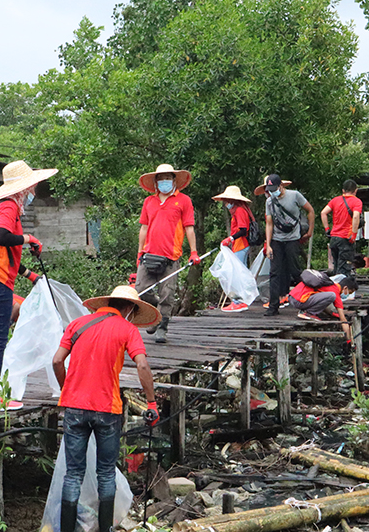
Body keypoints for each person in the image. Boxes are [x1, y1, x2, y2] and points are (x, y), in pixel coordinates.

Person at [52, 286, 160, 532]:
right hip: (107, 409)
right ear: (130, 308)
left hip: (74, 407)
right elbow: (142, 365)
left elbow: (57, 360)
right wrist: (151, 403)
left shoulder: (77, 324)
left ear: (108, 303)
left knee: (73, 475)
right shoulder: (128, 329)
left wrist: (66, 389)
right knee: (106, 473)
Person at [0, 160, 56, 411]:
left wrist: (29, 275)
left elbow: (1, 252)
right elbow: (2, 237)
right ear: (24, 188)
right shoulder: (8, 206)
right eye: (32, 187)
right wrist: (29, 238)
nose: (34, 192)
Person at [135, 164, 201, 343]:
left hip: (171, 256)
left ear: (174, 180)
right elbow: (144, 228)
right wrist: (139, 252)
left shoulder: (184, 200)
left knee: (167, 293)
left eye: (168, 178)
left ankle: (162, 327)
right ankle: (154, 315)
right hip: (148, 254)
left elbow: (189, 228)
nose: (164, 181)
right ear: (156, 182)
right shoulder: (149, 201)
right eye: (161, 178)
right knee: (140, 290)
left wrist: (194, 252)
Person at [257, 174, 314, 317]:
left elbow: (310, 210)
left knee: (294, 270)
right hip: (277, 239)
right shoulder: (269, 201)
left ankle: (308, 301)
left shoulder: (294, 196)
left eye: (274, 189)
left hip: (292, 238)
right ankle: (273, 306)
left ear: (281, 186)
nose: (272, 192)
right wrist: (268, 244)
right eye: (270, 190)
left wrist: (310, 231)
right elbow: (269, 223)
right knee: (274, 273)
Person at [212, 185, 255, 312]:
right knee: (239, 273)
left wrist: (230, 238)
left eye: (226, 200)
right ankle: (240, 301)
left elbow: (243, 230)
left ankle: (238, 301)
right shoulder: (237, 211)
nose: (225, 203)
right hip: (239, 245)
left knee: (237, 274)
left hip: (241, 245)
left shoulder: (240, 211)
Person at [288, 275, 357, 342]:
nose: (348, 295)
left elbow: (323, 304)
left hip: (292, 297)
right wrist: (349, 340)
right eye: (349, 292)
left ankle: (306, 311)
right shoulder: (334, 291)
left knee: (328, 297)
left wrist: (333, 314)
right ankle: (307, 313)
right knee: (331, 296)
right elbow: (343, 321)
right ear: (345, 288)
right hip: (298, 301)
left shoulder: (329, 285)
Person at [321, 179, 363, 279]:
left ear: (343, 190)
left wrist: (327, 229)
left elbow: (323, 213)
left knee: (336, 268)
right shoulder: (357, 201)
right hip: (346, 239)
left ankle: (335, 287)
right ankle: (341, 288)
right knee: (343, 271)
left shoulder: (335, 200)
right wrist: (354, 234)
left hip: (334, 238)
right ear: (355, 190)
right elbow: (356, 217)